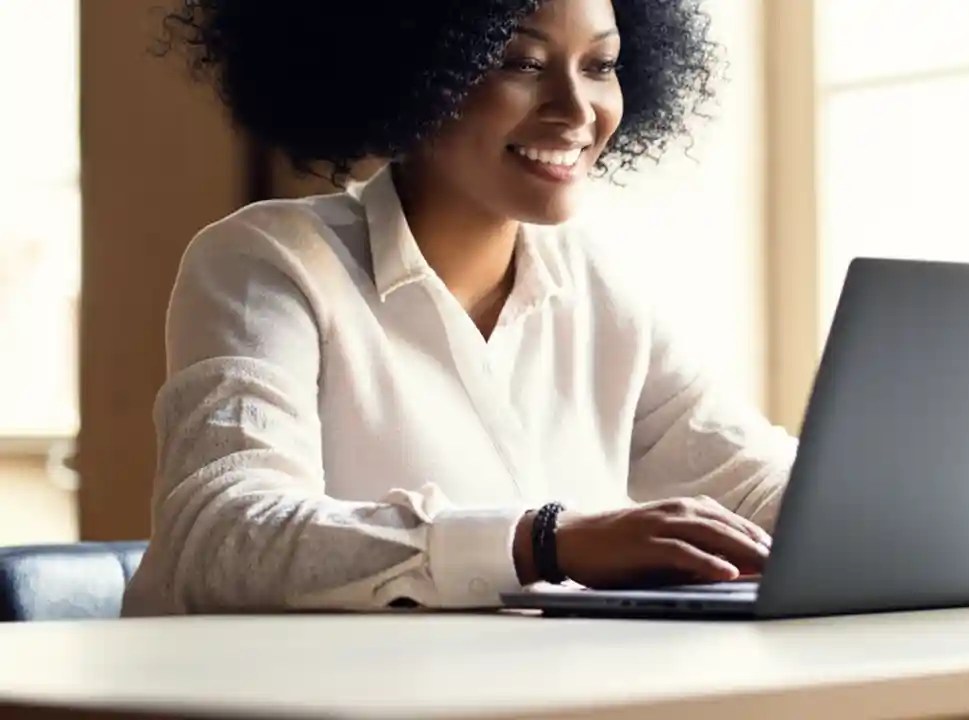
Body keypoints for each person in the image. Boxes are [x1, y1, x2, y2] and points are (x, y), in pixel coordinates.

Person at [123, 0, 797, 616]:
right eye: (522, 63)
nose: (578, 108)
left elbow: (760, 485)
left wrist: (874, 512)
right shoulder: (268, 260)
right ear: (412, 73)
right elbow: (222, 535)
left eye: (600, 65)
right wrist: (545, 541)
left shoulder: (599, 289)